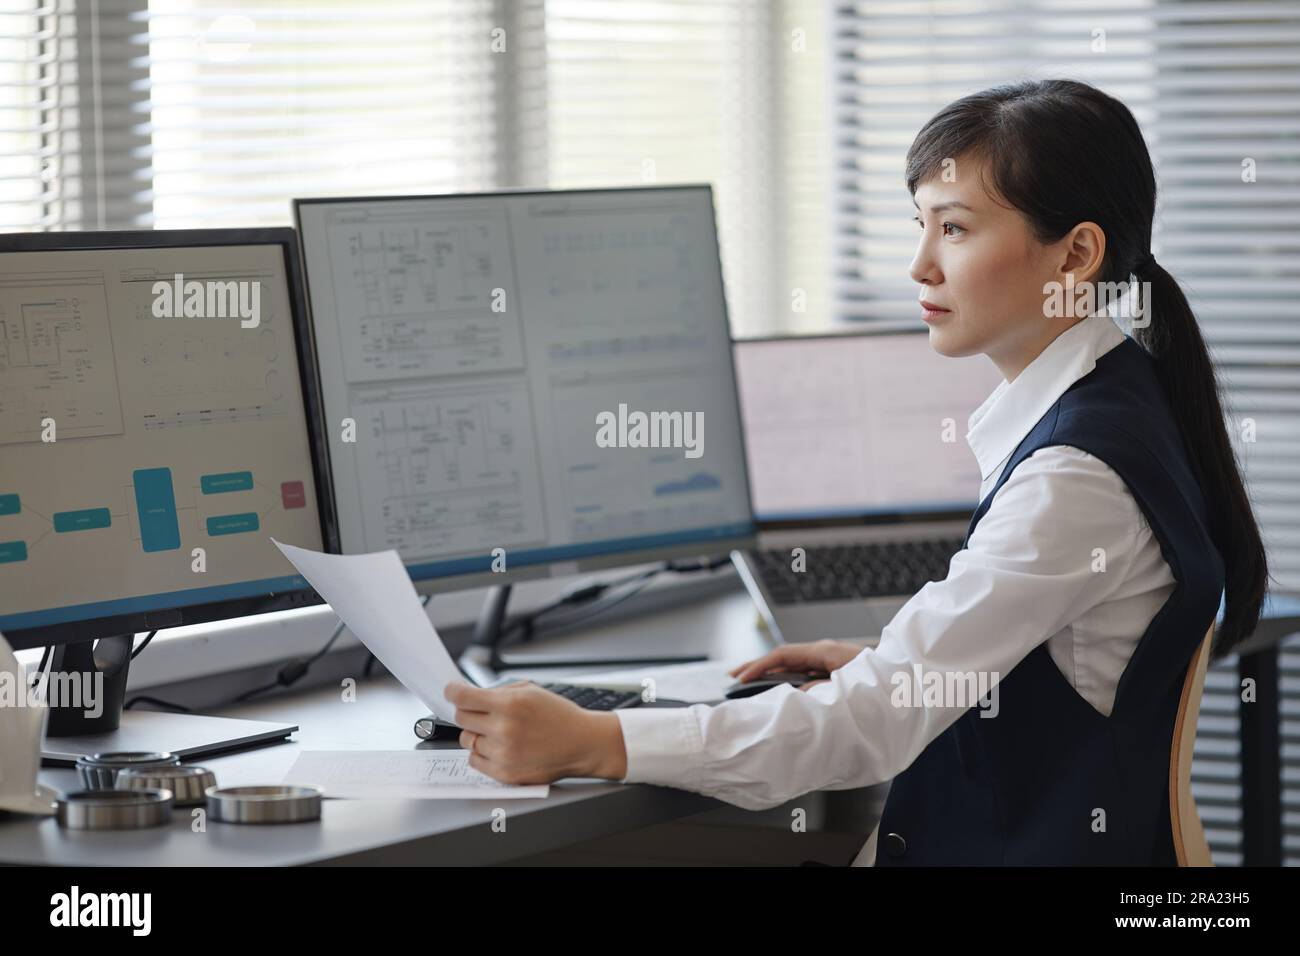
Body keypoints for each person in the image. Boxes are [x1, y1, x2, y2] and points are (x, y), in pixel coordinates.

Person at [444, 78, 1269, 866]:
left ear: (1075, 255)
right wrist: (892, 662)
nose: (920, 266)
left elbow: (864, 728)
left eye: (954, 229)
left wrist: (596, 739)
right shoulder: (1127, 391)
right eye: (920, 225)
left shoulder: (1073, 477)